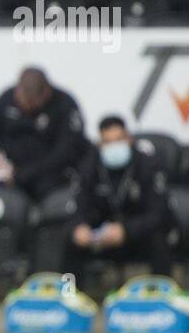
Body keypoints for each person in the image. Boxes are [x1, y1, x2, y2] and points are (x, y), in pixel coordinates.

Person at [61, 115, 173, 279]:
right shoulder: (89, 166)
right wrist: (79, 227)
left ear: (129, 139)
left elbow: (159, 213)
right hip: (102, 236)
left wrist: (126, 230)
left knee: (158, 238)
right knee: (70, 238)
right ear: (100, 144)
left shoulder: (148, 165)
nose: (114, 146)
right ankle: (69, 296)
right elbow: (79, 206)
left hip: (137, 233)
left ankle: (162, 294)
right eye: (108, 142)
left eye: (119, 140)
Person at [0, 67, 89, 202]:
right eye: (22, 99)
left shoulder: (64, 104)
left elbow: (66, 151)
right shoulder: (6, 99)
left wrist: (22, 174)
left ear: (46, 93)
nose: (26, 105)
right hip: (7, 171)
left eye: (32, 102)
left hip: (50, 175)